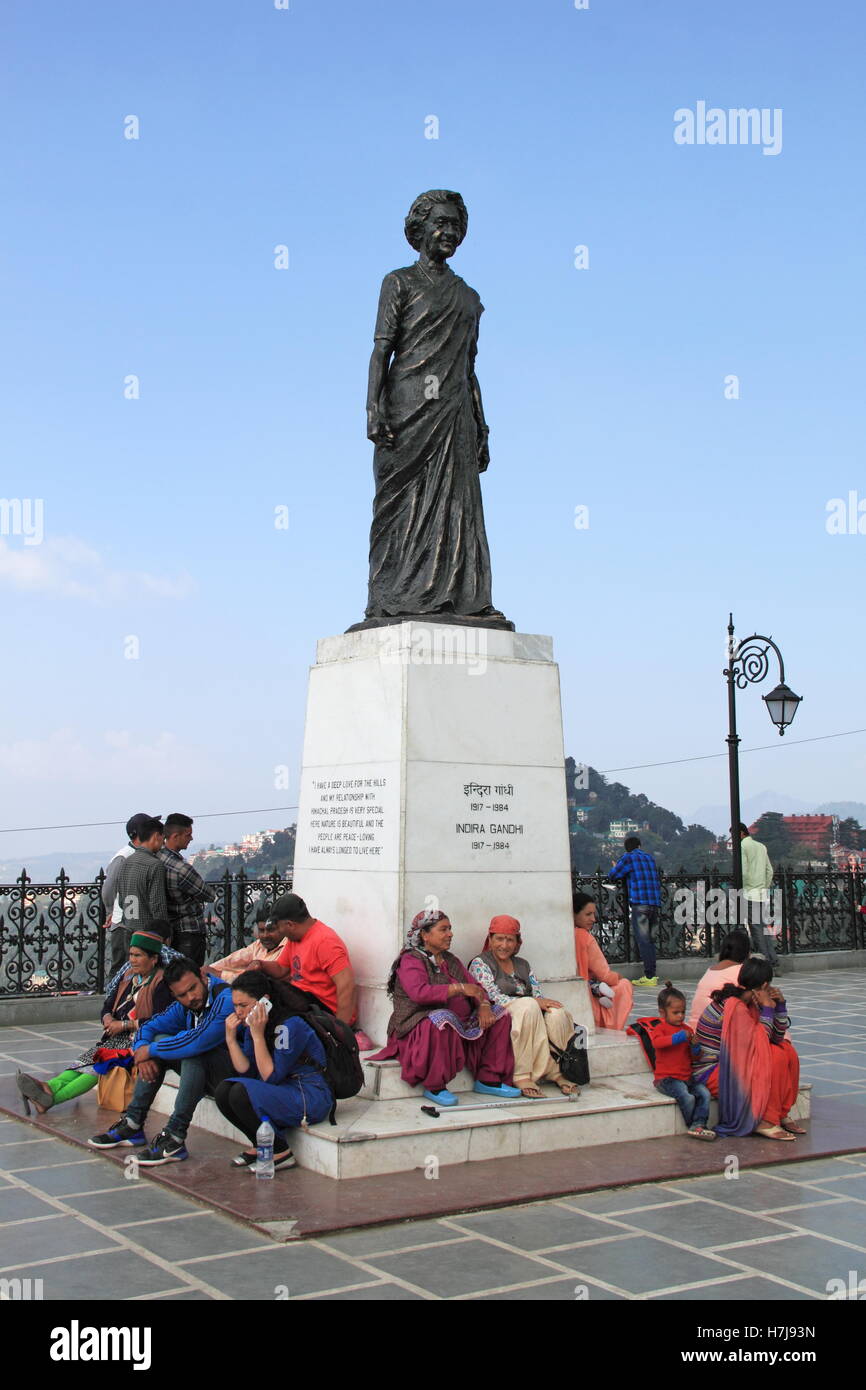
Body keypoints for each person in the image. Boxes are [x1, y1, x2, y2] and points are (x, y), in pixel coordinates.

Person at [359, 189, 509, 628]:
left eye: (456, 226)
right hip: (408, 410)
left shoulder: (467, 297)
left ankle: (465, 598)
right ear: (419, 230)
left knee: (458, 507)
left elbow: (469, 366)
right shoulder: (398, 283)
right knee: (398, 505)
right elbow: (380, 352)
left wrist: (482, 425)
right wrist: (373, 407)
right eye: (440, 224)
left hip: (454, 413)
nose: (449, 233)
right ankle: (392, 597)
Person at [89, 956, 235, 1163]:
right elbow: (149, 1027)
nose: (191, 997)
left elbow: (200, 1040)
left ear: (202, 976)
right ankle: (133, 1123)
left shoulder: (226, 998)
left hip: (236, 1077)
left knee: (187, 1050)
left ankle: (175, 1135)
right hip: (204, 1072)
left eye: (193, 988)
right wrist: (142, 1051)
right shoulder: (185, 1003)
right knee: (159, 1038)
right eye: (182, 995)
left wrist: (152, 1050)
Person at [370, 909, 519, 1107]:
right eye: (443, 929)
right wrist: (458, 989)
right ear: (425, 935)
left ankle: (488, 1078)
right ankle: (435, 1085)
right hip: (416, 1024)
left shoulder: (450, 960)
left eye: (450, 929)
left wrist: (483, 1006)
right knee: (441, 1019)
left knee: (500, 1014)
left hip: (459, 1022)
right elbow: (419, 993)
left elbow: (477, 988)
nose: (450, 934)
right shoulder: (411, 960)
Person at [16, 925, 172, 1114]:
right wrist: (107, 1018)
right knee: (84, 1062)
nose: (132, 960)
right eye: (131, 955)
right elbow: (108, 1004)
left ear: (154, 959)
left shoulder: (162, 982)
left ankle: (52, 1098)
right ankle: (48, 1087)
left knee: (99, 1066)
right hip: (115, 1038)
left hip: (138, 1040)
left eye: (138, 956)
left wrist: (124, 1024)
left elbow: (161, 1019)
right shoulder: (129, 977)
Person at [216, 970, 333, 1170]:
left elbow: (271, 1077)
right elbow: (246, 1071)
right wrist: (230, 1039)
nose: (238, 1012)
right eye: (235, 1005)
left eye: (243, 1005)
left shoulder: (289, 1025)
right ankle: (258, 1144)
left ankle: (280, 1151)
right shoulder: (254, 1027)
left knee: (240, 1093)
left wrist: (258, 1036)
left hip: (308, 1094)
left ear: (264, 1002)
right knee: (224, 1091)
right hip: (284, 1090)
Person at [692, 956, 804, 1142]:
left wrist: (780, 1007)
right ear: (765, 985)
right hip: (712, 1070)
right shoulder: (734, 1006)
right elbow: (758, 1045)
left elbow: (775, 1038)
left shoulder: (750, 1001)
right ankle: (765, 1120)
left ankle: (780, 1112)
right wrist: (767, 1008)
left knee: (786, 1050)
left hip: (735, 1063)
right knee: (774, 1057)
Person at [468, 915, 579, 1097]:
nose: (504, 945)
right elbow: (491, 996)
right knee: (528, 1005)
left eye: (510, 940)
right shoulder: (480, 963)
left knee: (557, 1013)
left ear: (518, 942)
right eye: (499, 939)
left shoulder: (523, 964)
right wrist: (533, 1002)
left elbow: (536, 992)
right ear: (490, 939)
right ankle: (521, 1075)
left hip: (529, 1009)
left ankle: (556, 1072)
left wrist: (541, 1003)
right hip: (499, 1011)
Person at [258, 894, 373, 1050]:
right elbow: (281, 969)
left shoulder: (325, 942)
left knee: (277, 997)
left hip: (324, 1008)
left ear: (290, 924)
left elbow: (346, 986)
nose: (279, 931)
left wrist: (340, 1029)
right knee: (258, 986)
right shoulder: (295, 939)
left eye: (279, 927)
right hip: (303, 1000)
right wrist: (259, 965)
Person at [649, 982, 715, 1141]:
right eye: (676, 1012)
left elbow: (695, 1057)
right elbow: (657, 1043)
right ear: (662, 1013)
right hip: (667, 1079)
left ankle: (699, 1124)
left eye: (682, 1012)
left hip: (687, 1077)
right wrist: (678, 1037)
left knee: (704, 1093)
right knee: (687, 1097)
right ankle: (692, 1124)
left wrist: (695, 1047)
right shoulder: (660, 1029)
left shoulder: (687, 1030)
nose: (680, 1016)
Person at [102, 813, 162, 977]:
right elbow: (109, 888)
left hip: (131, 920)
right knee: (122, 968)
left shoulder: (140, 855)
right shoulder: (124, 857)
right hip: (124, 923)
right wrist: (111, 911)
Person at [158, 813, 216, 966]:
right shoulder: (181, 869)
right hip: (189, 930)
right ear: (175, 836)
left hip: (169, 931)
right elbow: (208, 894)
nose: (191, 839)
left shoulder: (157, 859)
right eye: (188, 835)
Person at [572, 892, 634, 1030]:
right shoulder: (585, 938)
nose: (593, 919)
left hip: (578, 992)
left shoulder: (566, 935)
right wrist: (617, 977)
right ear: (574, 914)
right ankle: (611, 1026)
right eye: (588, 914)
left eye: (593, 914)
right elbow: (605, 975)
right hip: (588, 996)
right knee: (624, 985)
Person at [607, 835, 661, 986]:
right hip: (654, 903)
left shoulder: (628, 858)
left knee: (644, 941)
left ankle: (650, 976)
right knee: (650, 940)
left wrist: (614, 866)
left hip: (640, 904)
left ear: (627, 848)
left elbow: (613, 875)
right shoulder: (649, 858)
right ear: (639, 845)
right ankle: (652, 974)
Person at [687, 928, 751, 1030]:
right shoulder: (741, 971)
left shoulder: (711, 970)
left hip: (695, 1029)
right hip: (714, 1032)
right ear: (747, 953)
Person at [207, 906, 288, 982]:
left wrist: (220, 975)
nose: (265, 935)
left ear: (283, 929)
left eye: (271, 930)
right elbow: (233, 959)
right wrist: (209, 969)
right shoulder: (258, 945)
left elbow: (255, 980)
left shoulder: (288, 947)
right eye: (261, 930)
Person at [737, 823, 777, 965]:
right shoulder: (761, 846)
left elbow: (744, 871)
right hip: (761, 893)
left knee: (756, 929)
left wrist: (745, 887)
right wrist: (763, 887)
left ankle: (765, 961)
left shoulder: (743, 846)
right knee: (763, 927)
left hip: (749, 892)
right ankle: (773, 960)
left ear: (741, 833)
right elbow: (770, 871)